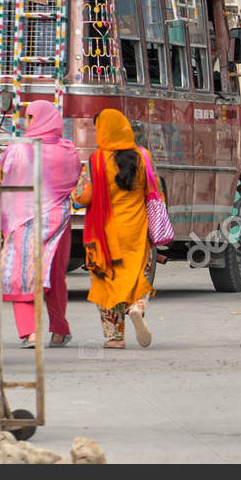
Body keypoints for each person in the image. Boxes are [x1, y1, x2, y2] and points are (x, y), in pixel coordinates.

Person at [74, 109, 156, 351]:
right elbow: (153, 191)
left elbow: (82, 196)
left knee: (107, 280)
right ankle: (136, 307)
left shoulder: (97, 160)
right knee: (137, 275)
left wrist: (74, 194)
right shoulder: (144, 156)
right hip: (137, 229)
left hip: (106, 232)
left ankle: (114, 336)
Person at [0, 101, 78, 348]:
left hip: (22, 220)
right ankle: (58, 330)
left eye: (30, 117)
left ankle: (30, 333)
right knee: (54, 277)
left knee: (22, 275)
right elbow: (73, 179)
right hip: (58, 221)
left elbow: (5, 175)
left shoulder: (19, 149)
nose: (26, 123)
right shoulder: (68, 149)